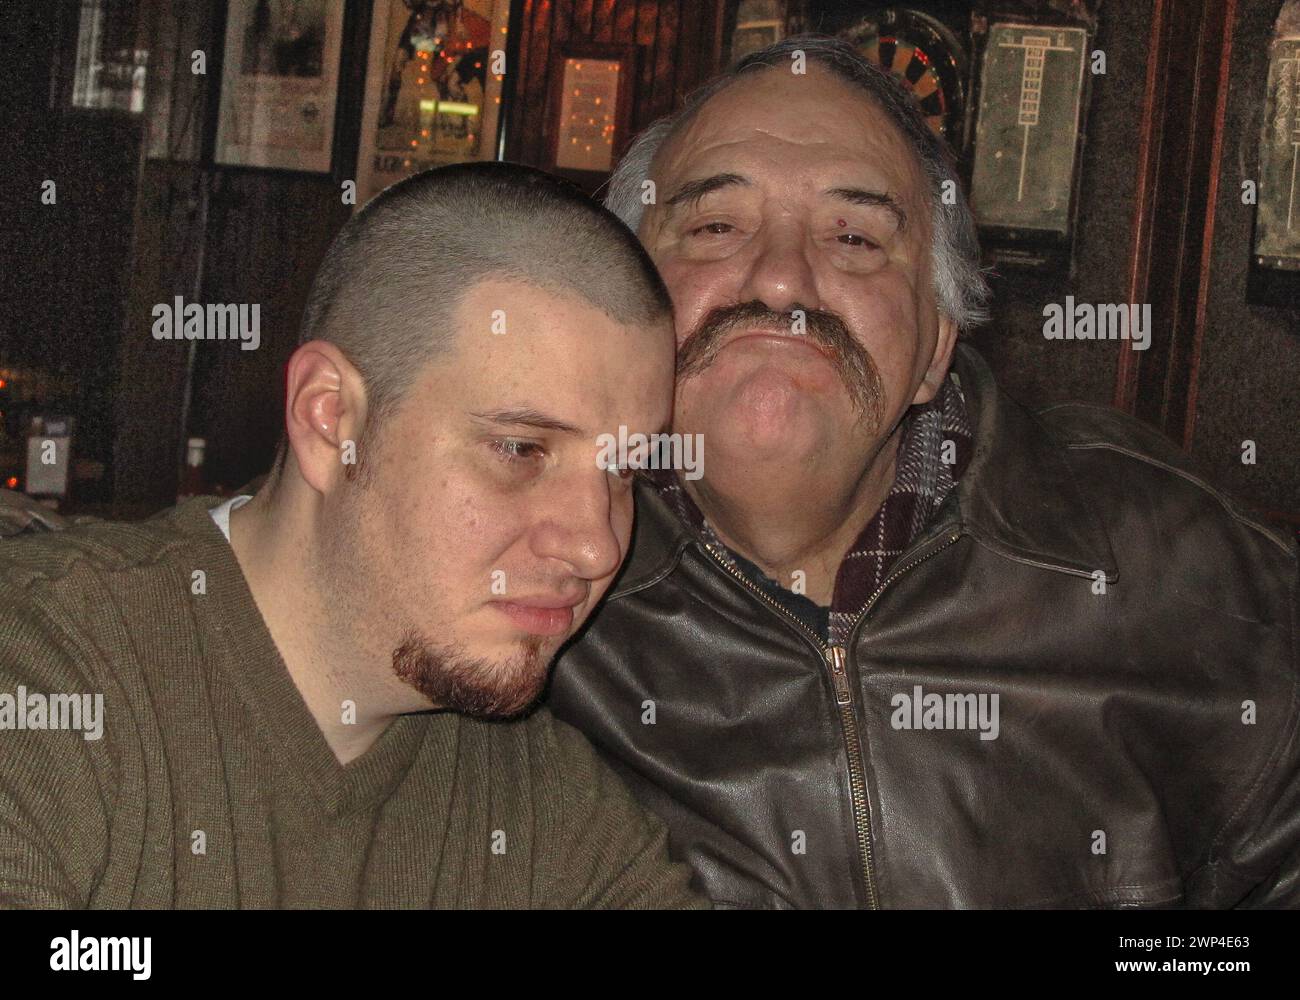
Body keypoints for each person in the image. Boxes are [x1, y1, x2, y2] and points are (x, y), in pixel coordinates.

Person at [547, 35, 1300, 909]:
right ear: (622, 297)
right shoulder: (536, 583)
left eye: (857, 237)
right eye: (716, 226)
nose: (783, 281)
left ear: (936, 344)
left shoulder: (1157, 551)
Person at [0, 162, 703, 909]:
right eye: (521, 450)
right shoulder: (47, 673)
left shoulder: (545, 808)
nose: (596, 548)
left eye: (624, 470)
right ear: (329, 419)